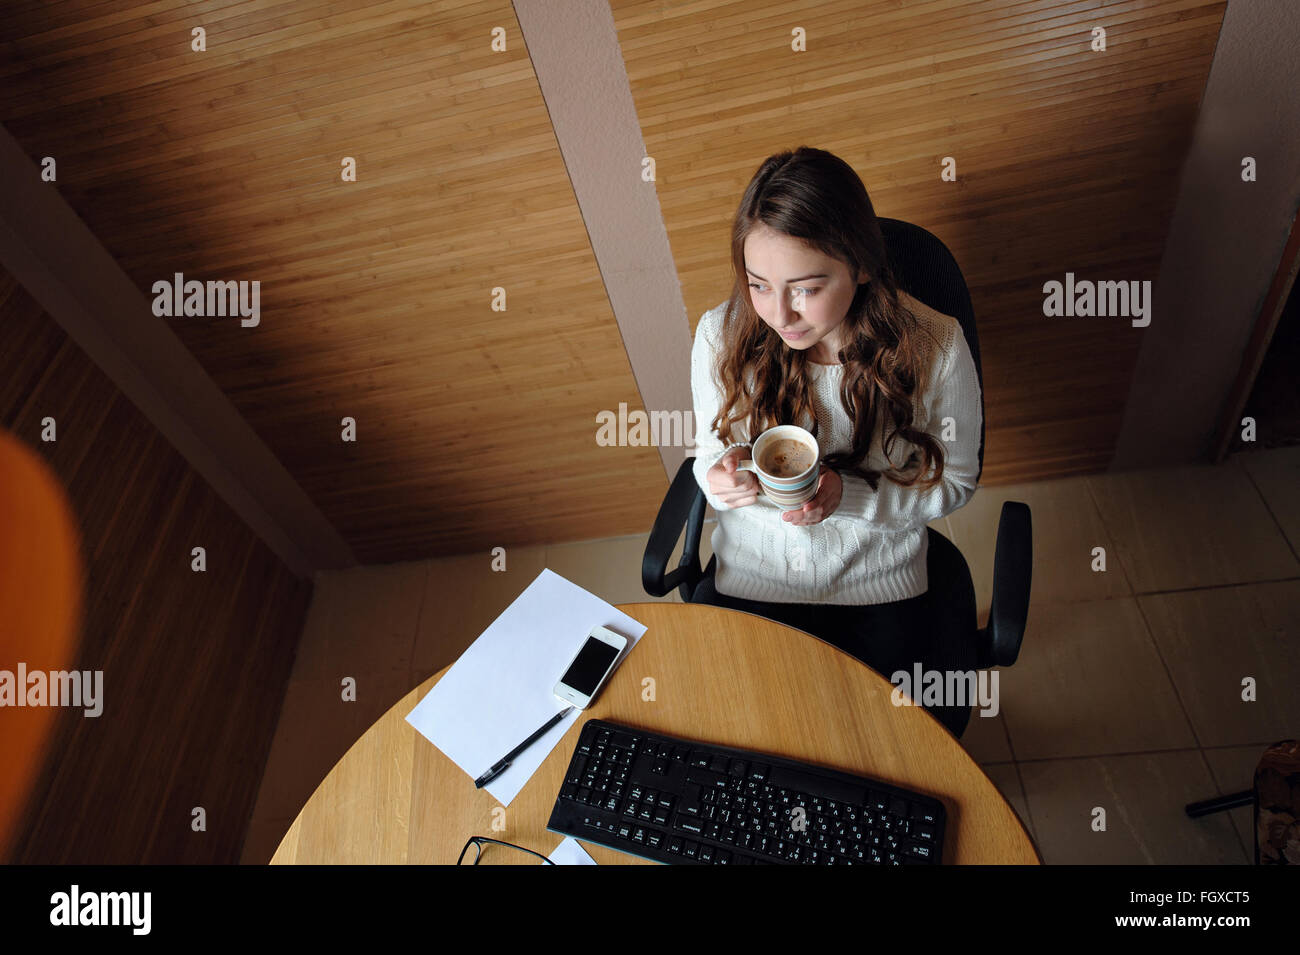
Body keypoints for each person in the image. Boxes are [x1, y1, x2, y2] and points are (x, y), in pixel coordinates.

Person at [689, 146, 983, 736]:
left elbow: (956, 482)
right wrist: (717, 481)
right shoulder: (721, 335)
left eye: (805, 287)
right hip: (753, 579)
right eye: (759, 285)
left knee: (885, 748)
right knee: (740, 746)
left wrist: (846, 496)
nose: (779, 313)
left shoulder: (936, 346)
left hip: (879, 584)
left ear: (862, 265)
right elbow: (703, 456)